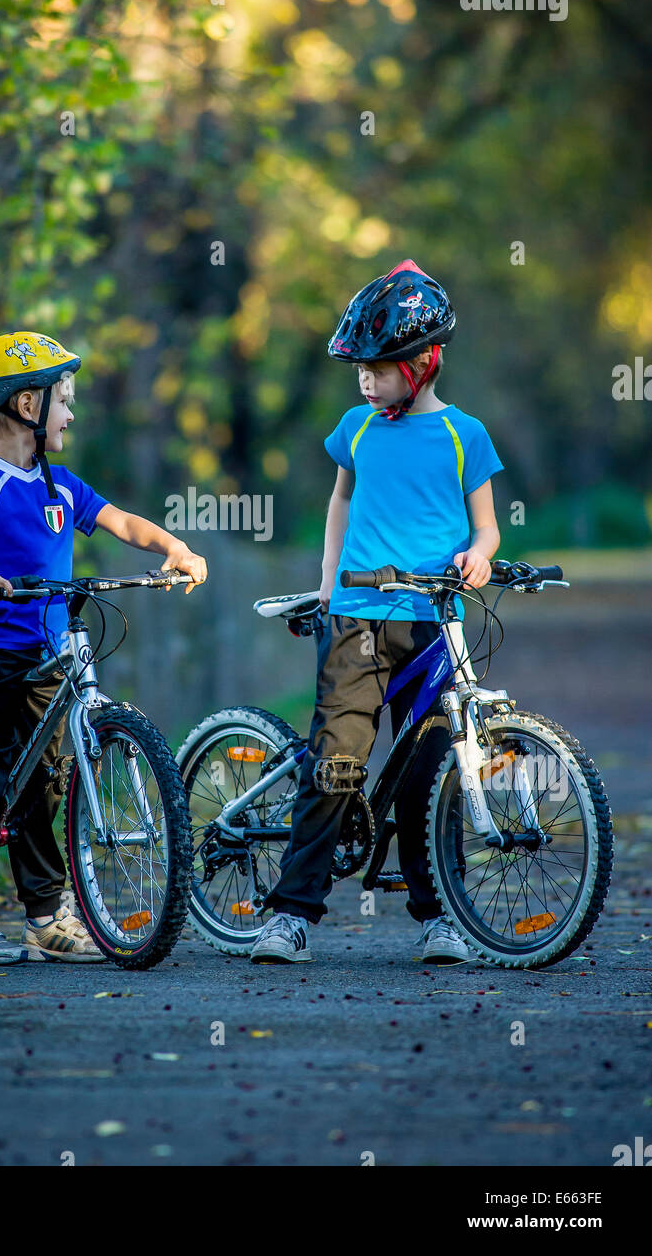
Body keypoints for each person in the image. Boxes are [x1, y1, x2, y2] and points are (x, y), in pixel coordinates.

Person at [0, 332, 207, 966]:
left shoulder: (61, 485)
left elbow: (122, 522)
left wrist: (173, 549)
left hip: (52, 655)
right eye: (64, 401)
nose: (71, 414)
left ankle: (45, 919)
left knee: (44, 784)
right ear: (26, 405)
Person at [251, 260, 503, 965]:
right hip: (356, 616)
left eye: (380, 365)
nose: (365, 377)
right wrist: (328, 580)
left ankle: (439, 920)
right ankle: (290, 915)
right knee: (336, 762)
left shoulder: (464, 435)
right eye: (359, 365)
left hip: (433, 622)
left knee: (431, 776)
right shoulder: (356, 429)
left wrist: (480, 555)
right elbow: (339, 501)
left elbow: (485, 526)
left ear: (423, 362)